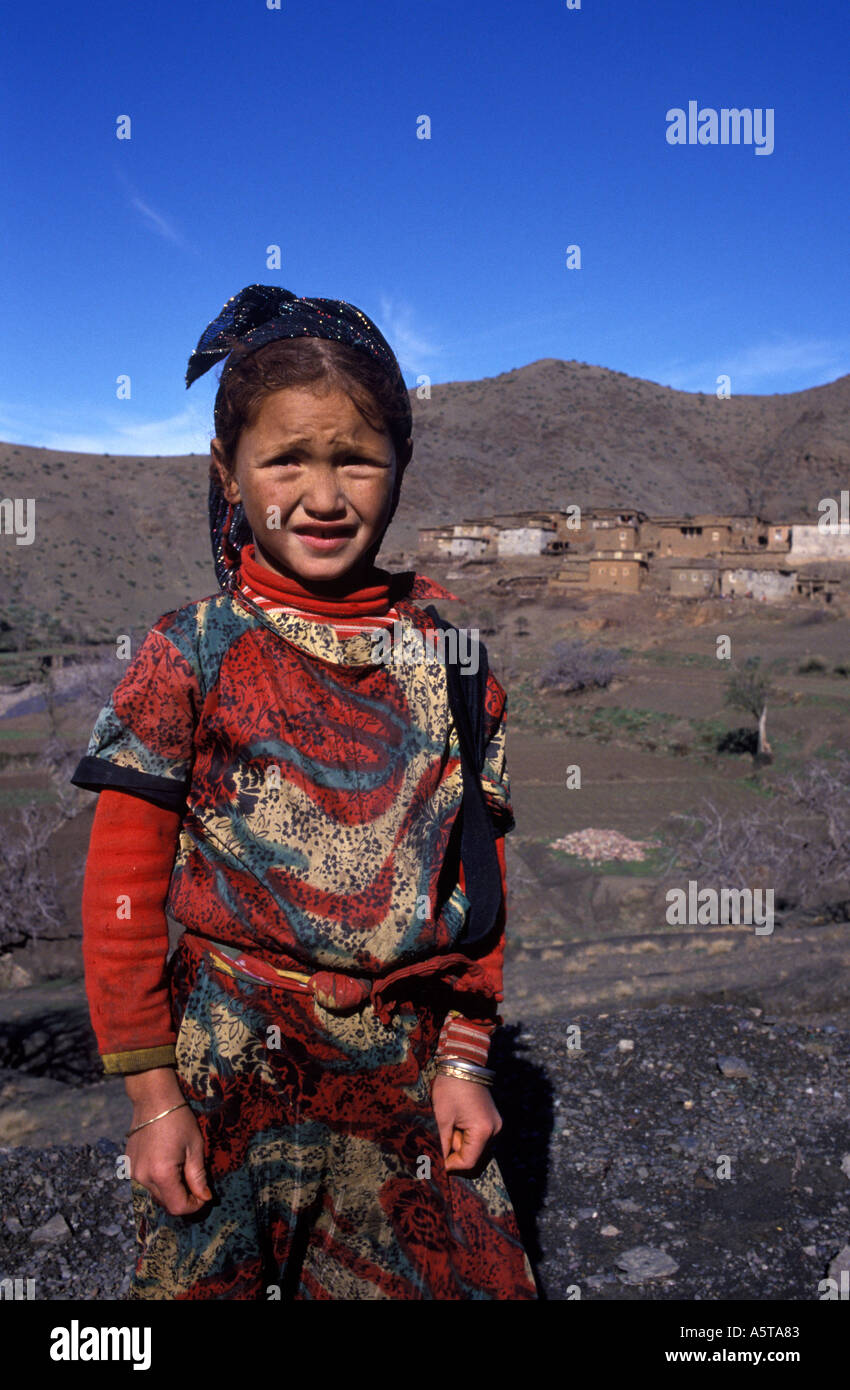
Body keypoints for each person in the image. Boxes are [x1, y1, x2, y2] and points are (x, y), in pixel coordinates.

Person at [71, 284, 538, 1301]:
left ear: (399, 471)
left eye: (356, 459)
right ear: (226, 473)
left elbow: (479, 872)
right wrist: (155, 1099)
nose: (323, 495)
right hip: (230, 1065)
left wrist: (465, 1059)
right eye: (286, 459)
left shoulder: (447, 649)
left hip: (406, 1068)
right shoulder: (188, 651)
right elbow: (117, 897)